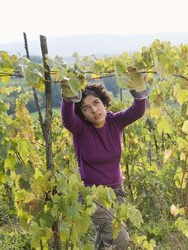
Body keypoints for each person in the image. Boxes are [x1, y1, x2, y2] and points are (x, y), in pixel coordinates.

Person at [60, 69, 148, 249]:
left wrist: (137, 85)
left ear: (104, 102)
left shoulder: (116, 121)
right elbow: (67, 119)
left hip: (117, 192)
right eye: (86, 108)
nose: (94, 110)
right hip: (93, 196)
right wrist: (68, 96)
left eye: (96, 103)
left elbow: (139, 110)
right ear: (82, 114)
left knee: (104, 240)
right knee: (120, 239)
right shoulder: (80, 129)